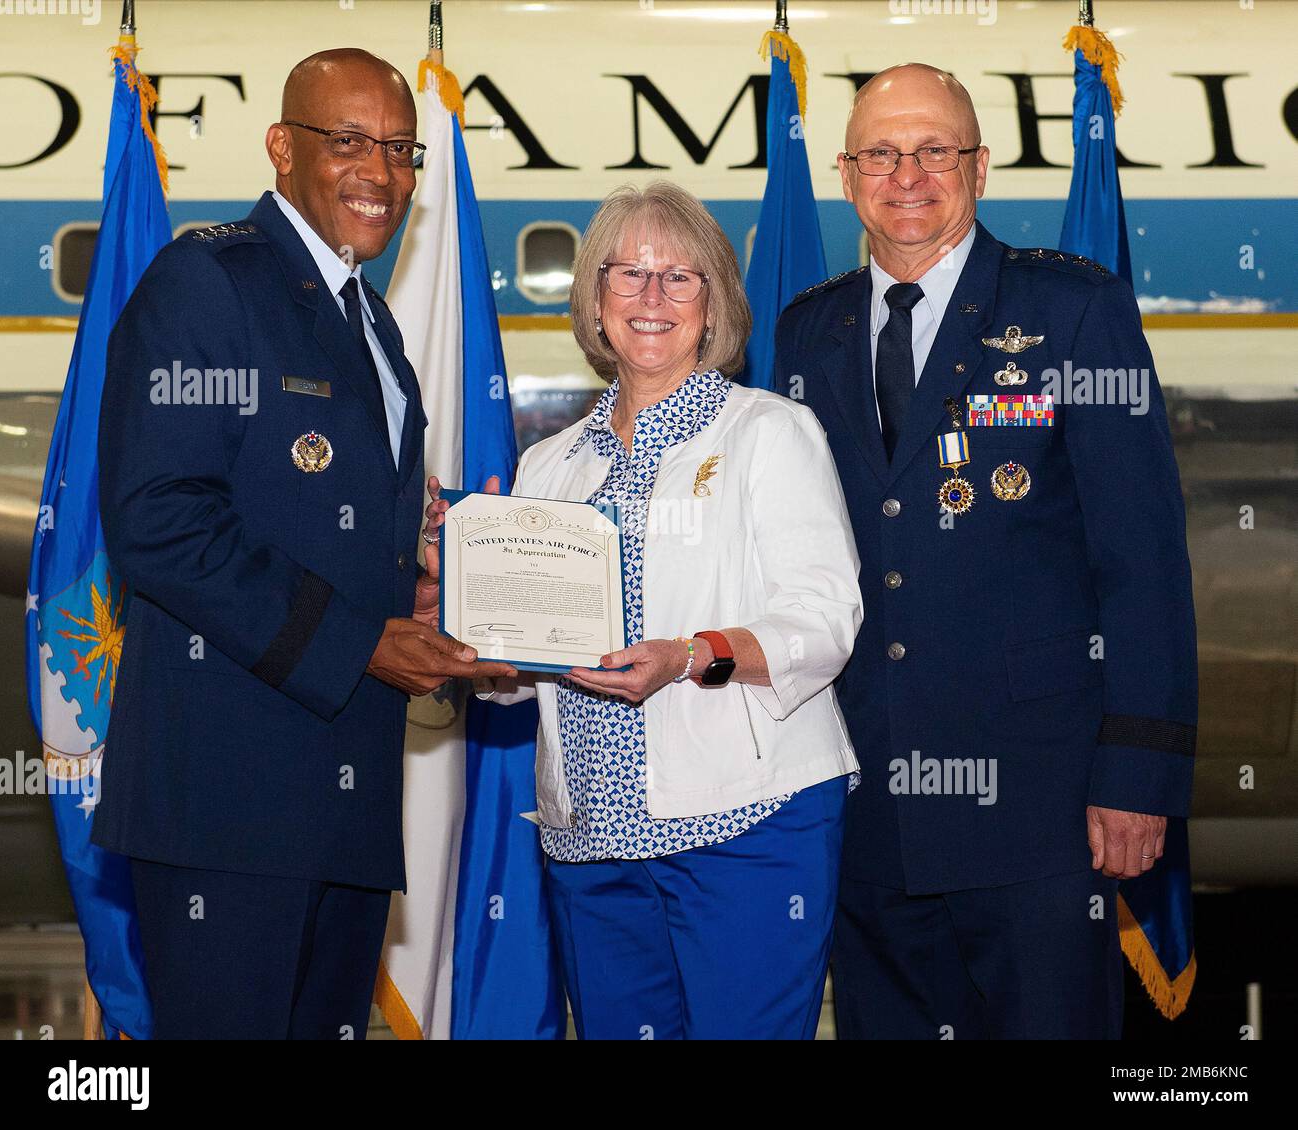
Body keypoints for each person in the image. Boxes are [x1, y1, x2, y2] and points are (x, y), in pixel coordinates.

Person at [95, 48, 513, 1039]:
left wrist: (430, 603)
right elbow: (158, 515)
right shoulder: (208, 281)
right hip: (228, 810)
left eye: (401, 149)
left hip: (343, 803)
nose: (381, 172)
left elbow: (341, 538)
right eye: (350, 141)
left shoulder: (370, 323)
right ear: (283, 147)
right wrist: (362, 639)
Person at [775, 64, 1197, 1040]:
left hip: (1041, 817)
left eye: (935, 150)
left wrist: (1136, 775)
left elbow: (1140, 559)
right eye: (881, 152)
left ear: (980, 165)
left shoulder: (1070, 312)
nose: (907, 174)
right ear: (845, 174)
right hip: (868, 814)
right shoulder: (808, 331)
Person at [430, 181, 863, 1039]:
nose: (652, 297)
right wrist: (470, 601)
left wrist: (693, 654)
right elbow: (521, 674)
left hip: (748, 823)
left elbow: (826, 618)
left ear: (716, 306)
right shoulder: (548, 466)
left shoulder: (769, 433)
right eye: (628, 275)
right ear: (596, 303)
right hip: (591, 833)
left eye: (681, 277)